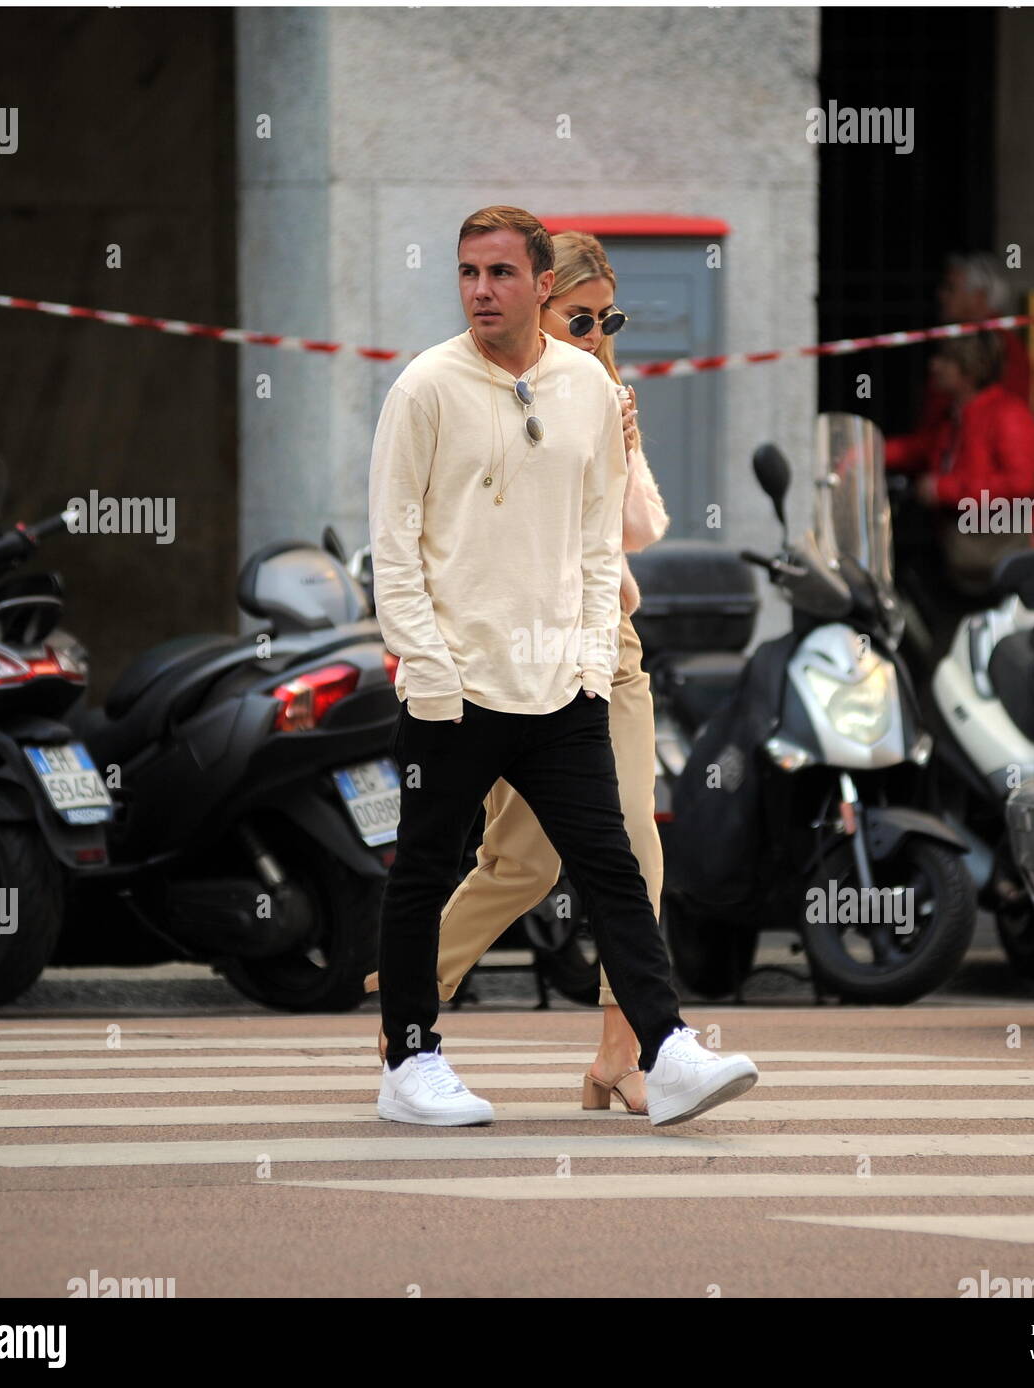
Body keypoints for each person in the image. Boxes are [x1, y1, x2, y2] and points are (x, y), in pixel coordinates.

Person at [366, 205, 759, 1127]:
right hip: (458, 685)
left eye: (501, 274)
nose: (481, 291)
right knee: (428, 869)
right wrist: (430, 675)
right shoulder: (424, 388)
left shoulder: (587, 388)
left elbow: (601, 543)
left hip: (566, 682)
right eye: (468, 273)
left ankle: (662, 1055)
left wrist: (586, 660)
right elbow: (396, 545)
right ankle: (409, 1058)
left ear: (540, 284)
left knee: (616, 863)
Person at [886, 331, 1034, 627]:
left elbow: (1021, 484)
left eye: (945, 359)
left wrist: (943, 489)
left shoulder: (1007, 414)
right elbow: (918, 448)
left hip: (1004, 551)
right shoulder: (955, 417)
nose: (934, 366)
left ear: (969, 369)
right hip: (967, 551)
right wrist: (864, 452)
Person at [910, 252, 1032, 440]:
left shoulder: (1002, 347)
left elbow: (995, 423)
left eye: (951, 288)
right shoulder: (964, 336)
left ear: (979, 296)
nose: (941, 295)